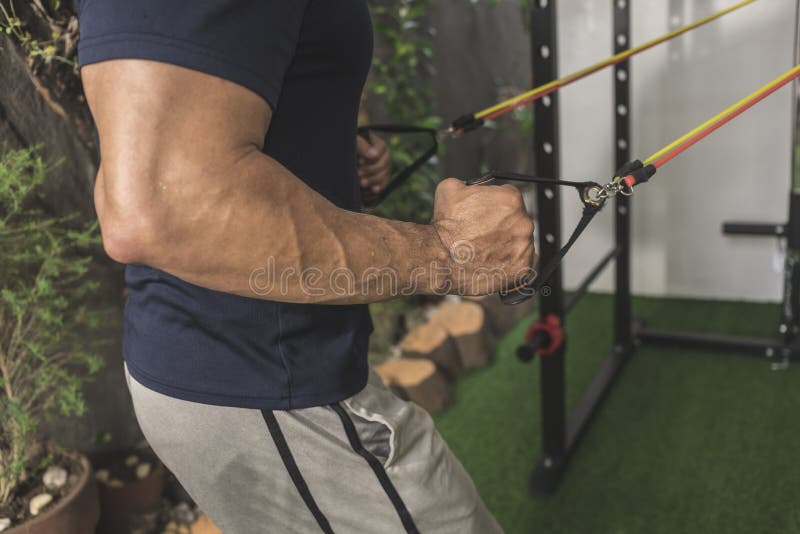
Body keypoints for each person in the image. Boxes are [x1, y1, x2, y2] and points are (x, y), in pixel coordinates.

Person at [77, 1, 535, 532]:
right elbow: (161, 210)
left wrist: (330, 152)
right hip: (261, 379)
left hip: (269, 372)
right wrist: (449, 253)